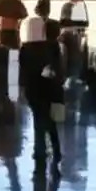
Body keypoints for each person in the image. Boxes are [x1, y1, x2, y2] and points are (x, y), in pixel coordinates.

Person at [20, 20, 64, 168]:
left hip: (32, 88)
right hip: (48, 88)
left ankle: (41, 149)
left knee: (38, 117)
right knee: (48, 119)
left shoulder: (26, 48)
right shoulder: (53, 47)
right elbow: (58, 69)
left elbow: (23, 68)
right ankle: (53, 149)